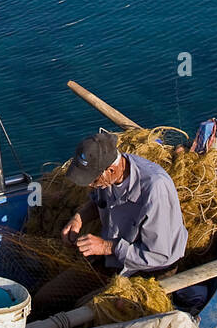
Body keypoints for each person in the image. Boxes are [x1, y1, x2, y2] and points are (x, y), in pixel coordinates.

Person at [31, 132, 189, 314]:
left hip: (150, 271)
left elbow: (159, 255)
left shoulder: (155, 189)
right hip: (112, 261)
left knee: (88, 310)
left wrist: (107, 247)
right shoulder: (109, 177)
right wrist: (79, 218)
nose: (90, 185)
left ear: (111, 170)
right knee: (45, 299)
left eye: (93, 179)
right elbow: (97, 201)